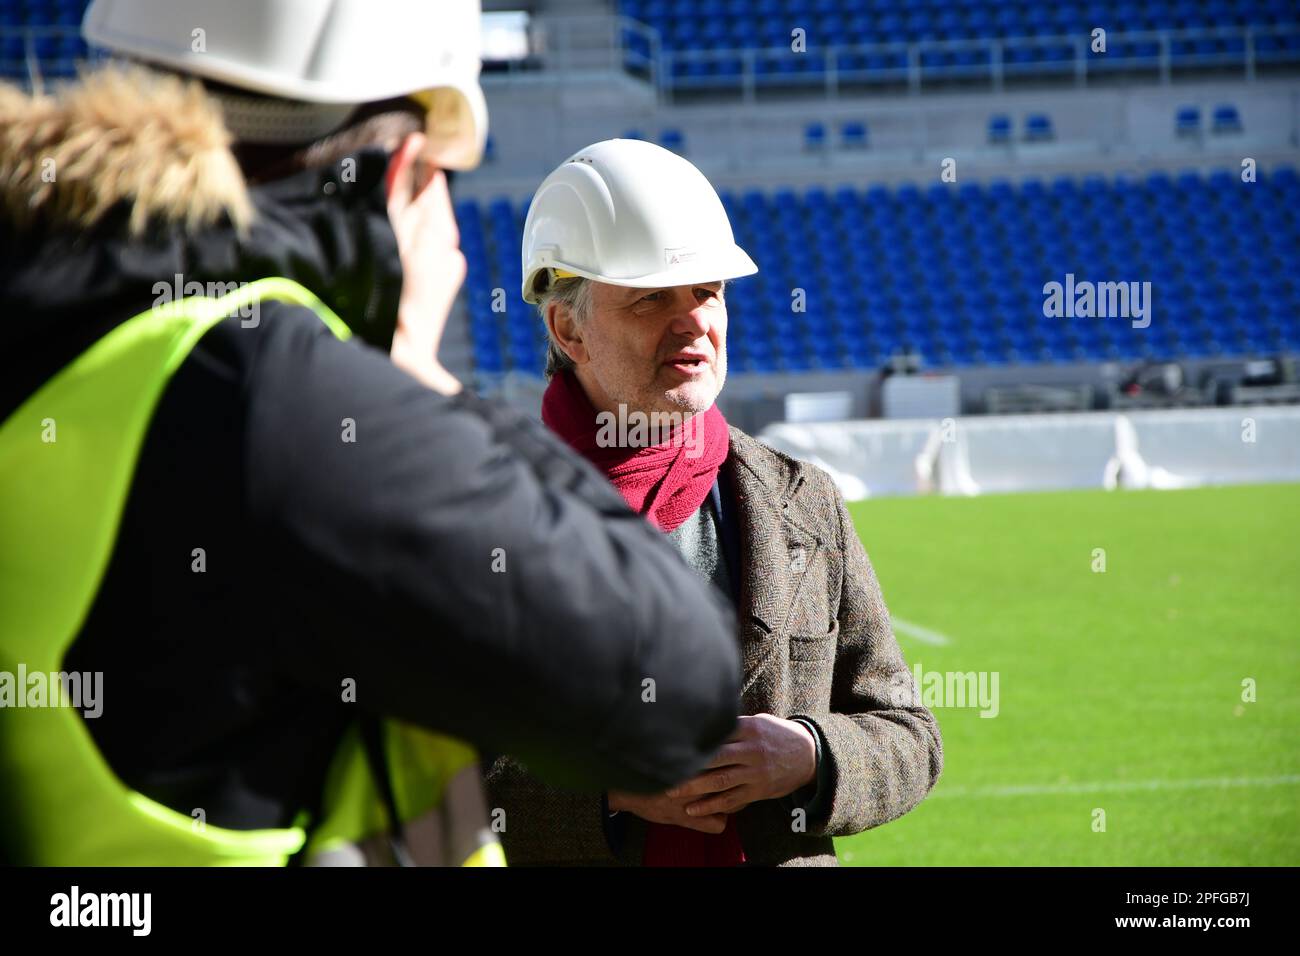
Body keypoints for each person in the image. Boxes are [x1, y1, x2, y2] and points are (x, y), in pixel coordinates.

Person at [0, 2, 740, 866]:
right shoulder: (272, 396)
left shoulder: (61, 315)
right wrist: (416, 375)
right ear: (405, 176)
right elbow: (676, 685)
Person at [485, 139, 944, 866]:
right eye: (651, 297)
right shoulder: (476, 512)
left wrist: (810, 753)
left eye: (709, 291)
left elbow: (909, 735)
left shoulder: (803, 500)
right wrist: (604, 794)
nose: (695, 320)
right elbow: (420, 775)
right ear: (568, 328)